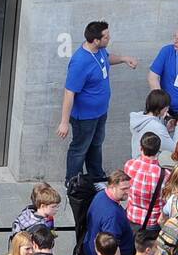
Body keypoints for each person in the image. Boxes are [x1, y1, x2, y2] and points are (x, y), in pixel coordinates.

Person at [57, 20, 139, 181]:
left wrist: (123, 58)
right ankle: (73, 181)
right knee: (79, 149)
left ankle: (96, 176)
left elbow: (107, 59)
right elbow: (69, 93)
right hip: (84, 117)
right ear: (96, 40)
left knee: (96, 145)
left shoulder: (100, 51)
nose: (109, 38)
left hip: (100, 112)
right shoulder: (80, 62)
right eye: (106, 37)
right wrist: (64, 122)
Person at [125, 130, 169, 231]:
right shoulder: (165, 175)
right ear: (158, 151)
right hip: (152, 220)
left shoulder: (129, 165)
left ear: (141, 148)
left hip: (131, 215)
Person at [128, 90, 178, 162]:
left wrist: (166, 129)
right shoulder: (157, 128)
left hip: (137, 161)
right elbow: (175, 149)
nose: (168, 109)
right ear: (162, 108)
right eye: (167, 107)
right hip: (150, 165)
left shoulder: (139, 118)